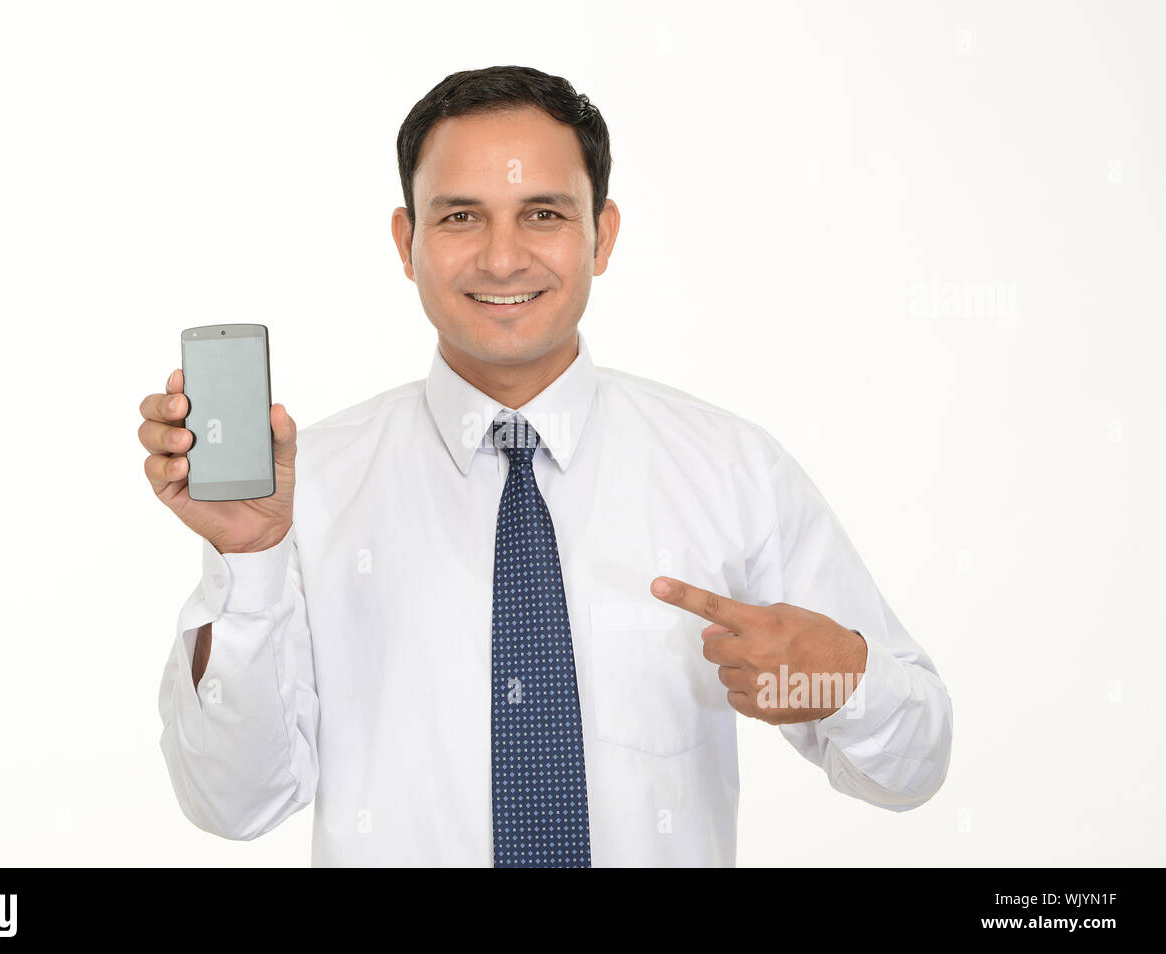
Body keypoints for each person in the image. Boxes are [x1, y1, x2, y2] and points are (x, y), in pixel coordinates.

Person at [137, 65, 952, 867]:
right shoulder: (303, 490)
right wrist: (247, 562)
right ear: (405, 240)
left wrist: (839, 680)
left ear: (602, 235)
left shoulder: (732, 472)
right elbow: (233, 804)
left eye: (543, 214)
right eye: (460, 216)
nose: (502, 259)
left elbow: (911, 768)